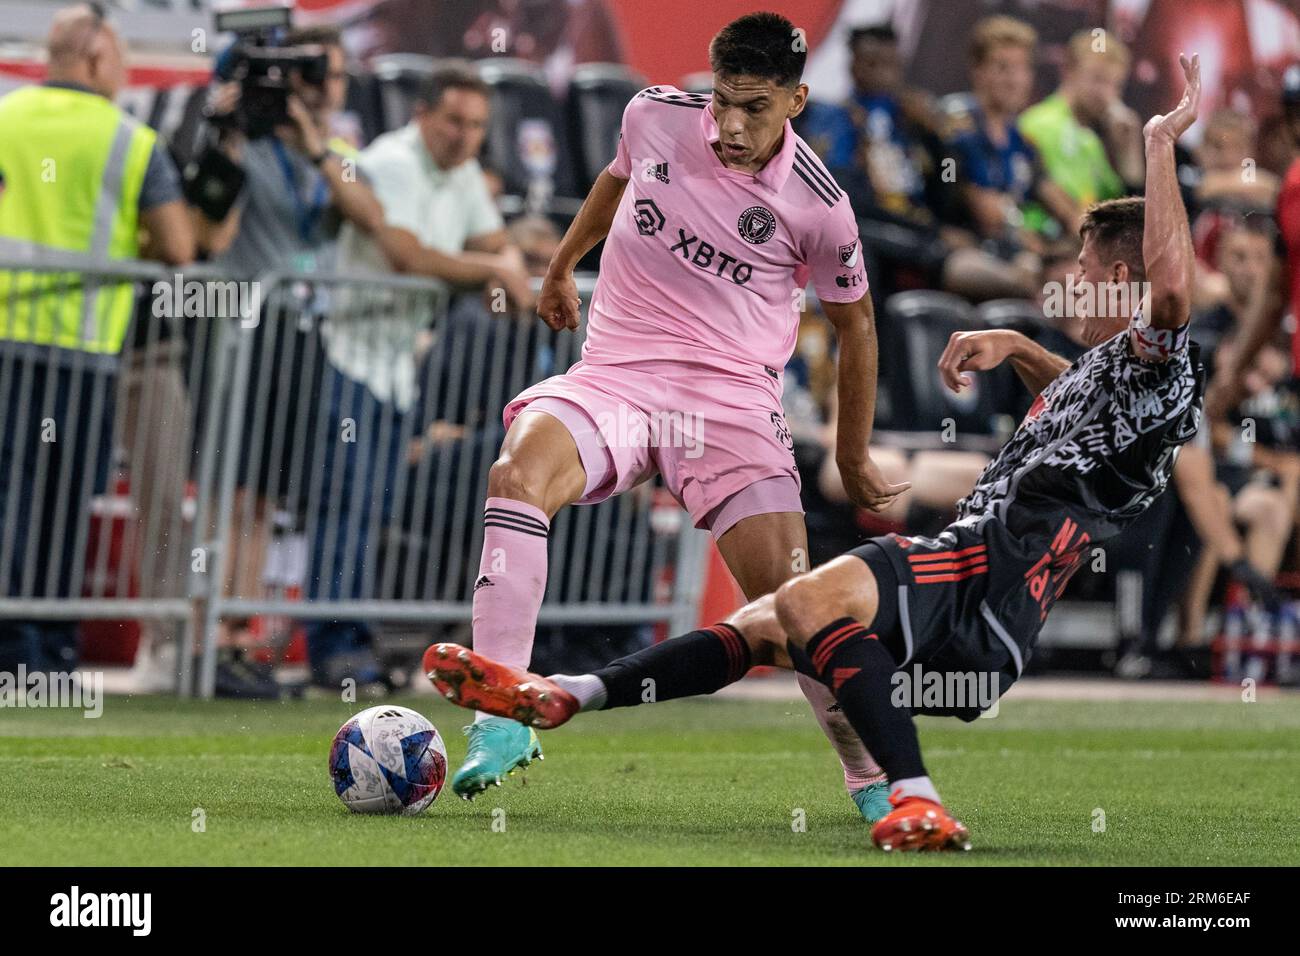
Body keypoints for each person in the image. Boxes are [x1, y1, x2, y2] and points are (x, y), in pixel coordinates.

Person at [425, 54, 1205, 852]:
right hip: (998, 608)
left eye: (1082, 273)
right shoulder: (1122, 383)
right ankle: (561, 698)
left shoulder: (1160, 352)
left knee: (798, 605)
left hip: (986, 561)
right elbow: (1088, 395)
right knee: (769, 624)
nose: (1070, 284)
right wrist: (1017, 347)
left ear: (1119, 276)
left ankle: (909, 795)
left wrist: (1156, 142)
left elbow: (1170, 294)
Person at [453, 12, 907, 823]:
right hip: (618, 375)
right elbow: (615, 180)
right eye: (723, 101)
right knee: (516, 475)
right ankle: (501, 720)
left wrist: (852, 453)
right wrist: (562, 268)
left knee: (795, 603)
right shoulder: (654, 115)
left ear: (797, 100)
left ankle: (873, 779)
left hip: (731, 400)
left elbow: (856, 326)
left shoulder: (820, 206)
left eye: (756, 108)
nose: (731, 126)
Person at [301, 66, 535, 685]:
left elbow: (496, 240)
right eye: (455, 121)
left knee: (371, 510)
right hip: (348, 353)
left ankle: (354, 639)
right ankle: (332, 646)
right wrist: (494, 268)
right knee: (343, 506)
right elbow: (404, 253)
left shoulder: (460, 173)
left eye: (478, 125)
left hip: (395, 364)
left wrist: (501, 261)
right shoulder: (394, 161)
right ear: (422, 114)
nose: (465, 137)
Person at [0, 2, 193, 673]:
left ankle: (11, 647)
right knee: (58, 507)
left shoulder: (4, 117)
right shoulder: (129, 139)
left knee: (7, 499)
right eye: (120, 58)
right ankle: (45, 654)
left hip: (4, 340)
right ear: (94, 59)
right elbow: (178, 245)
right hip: (79, 350)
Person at [1018, 29, 1143, 208]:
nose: (1107, 95)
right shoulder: (1039, 124)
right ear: (1068, 71)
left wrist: (1129, 152)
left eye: (1116, 85)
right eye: (1098, 79)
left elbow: (1125, 210)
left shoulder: (1090, 141)